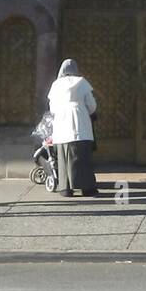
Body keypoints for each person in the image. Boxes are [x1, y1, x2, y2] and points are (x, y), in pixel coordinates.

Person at [47, 59, 99, 198]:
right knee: (82, 156)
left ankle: (65, 189)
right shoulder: (82, 82)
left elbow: (52, 107)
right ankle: (87, 188)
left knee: (63, 157)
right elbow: (91, 104)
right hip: (79, 121)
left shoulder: (56, 85)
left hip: (62, 124)